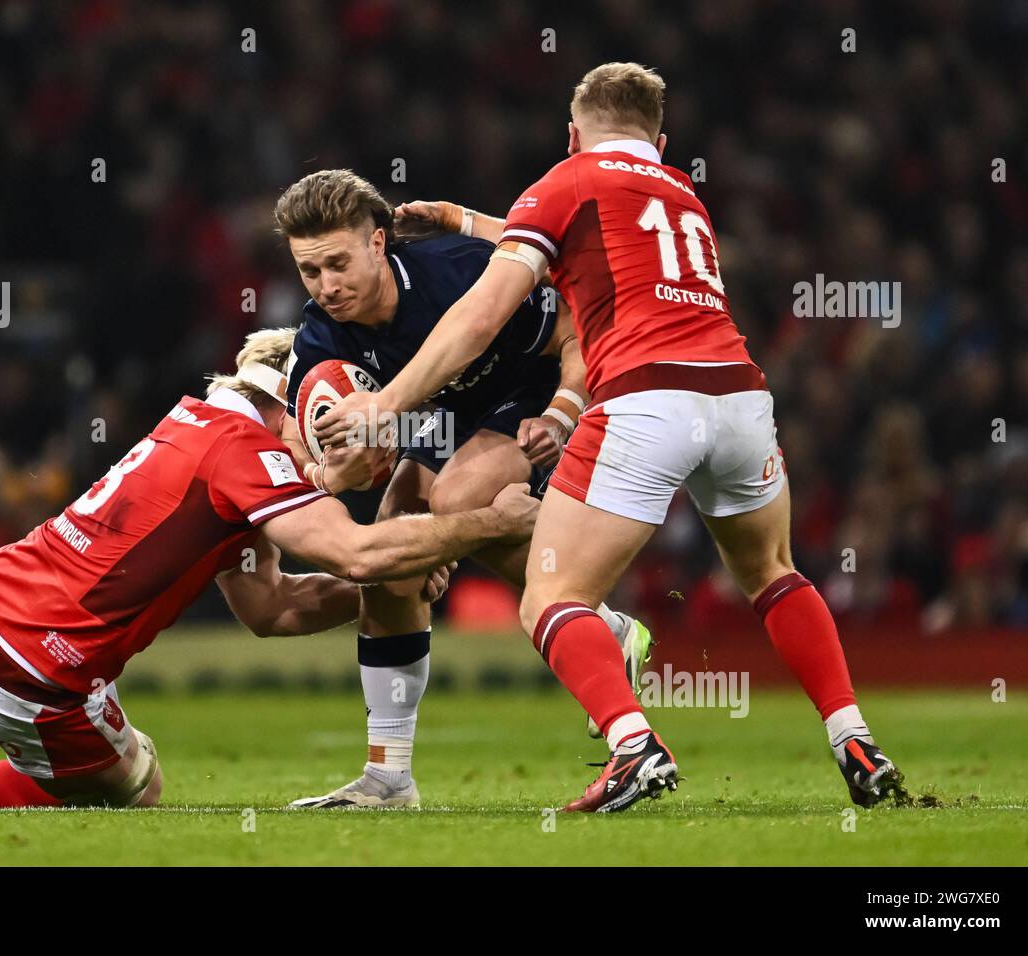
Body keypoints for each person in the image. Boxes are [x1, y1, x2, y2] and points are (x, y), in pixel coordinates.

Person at [318, 62, 905, 813]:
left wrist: (386, 401)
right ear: (661, 140)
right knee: (773, 572)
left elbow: (479, 315)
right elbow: (585, 257)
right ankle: (853, 736)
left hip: (644, 400)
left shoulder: (564, 181)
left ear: (573, 135)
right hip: (738, 396)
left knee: (552, 596)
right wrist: (470, 222)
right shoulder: (680, 195)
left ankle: (633, 746)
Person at [0, 329, 537, 808]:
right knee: (140, 783)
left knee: (28, 652)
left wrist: (375, 595)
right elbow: (353, 551)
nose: (348, 439)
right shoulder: (247, 453)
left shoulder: (197, 423)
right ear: (292, 401)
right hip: (37, 670)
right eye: (333, 417)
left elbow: (269, 608)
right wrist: (477, 529)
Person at [270, 170, 652, 809]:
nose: (327, 286)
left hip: (530, 398)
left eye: (338, 264)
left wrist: (561, 410)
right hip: (445, 419)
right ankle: (389, 778)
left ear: (379, 243)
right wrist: (330, 467)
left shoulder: (460, 271)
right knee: (392, 556)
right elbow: (296, 431)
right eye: (310, 273)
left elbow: (577, 327)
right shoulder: (320, 334)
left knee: (452, 503)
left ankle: (590, 610)